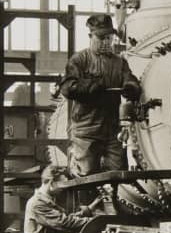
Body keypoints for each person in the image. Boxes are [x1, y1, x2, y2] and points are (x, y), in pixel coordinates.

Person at [58, 14, 142, 177]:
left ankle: (110, 202)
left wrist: (131, 87)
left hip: (112, 129)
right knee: (86, 175)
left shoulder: (119, 63)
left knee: (118, 173)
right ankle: (75, 166)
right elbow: (67, 87)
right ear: (91, 36)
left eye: (109, 38)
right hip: (86, 129)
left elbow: (130, 80)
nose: (105, 42)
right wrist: (90, 87)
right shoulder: (80, 60)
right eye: (101, 38)